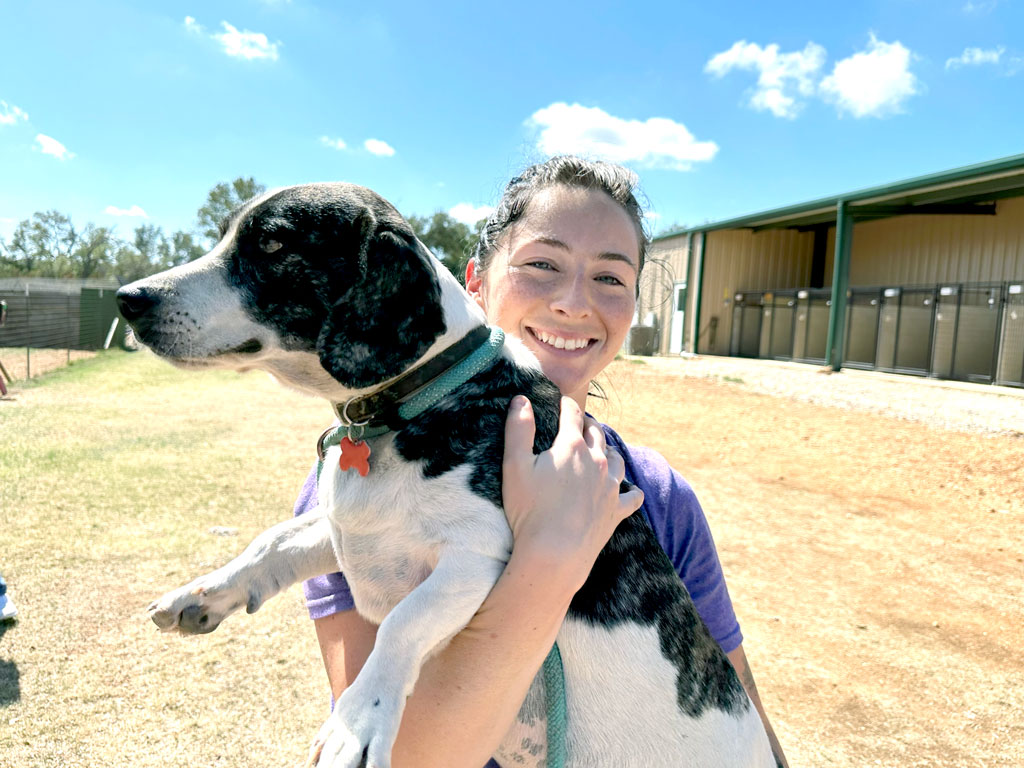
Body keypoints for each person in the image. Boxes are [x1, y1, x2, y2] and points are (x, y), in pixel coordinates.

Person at [293, 156, 789, 767]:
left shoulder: (657, 496)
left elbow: (735, 706)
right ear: (474, 282)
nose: (574, 303)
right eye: (542, 265)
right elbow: (397, 757)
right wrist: (548, 561)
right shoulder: (359, 488)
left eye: (611, 278)